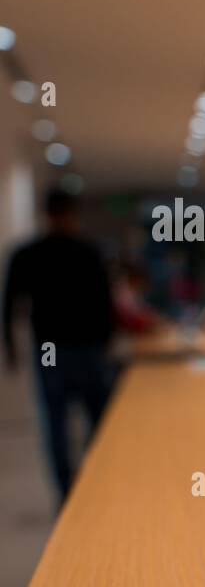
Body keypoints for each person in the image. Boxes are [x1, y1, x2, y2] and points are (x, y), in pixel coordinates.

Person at [3, 188, 116, 505]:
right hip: (81, 347)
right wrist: (106, 341)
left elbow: (10, 305)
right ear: (70, 214)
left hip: (54, 348)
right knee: (89, 417)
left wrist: (11, 346)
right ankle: (90, 479)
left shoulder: (29, 253)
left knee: (59, 419)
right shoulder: (86, 251)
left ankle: (69, 489)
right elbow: (104, 302)